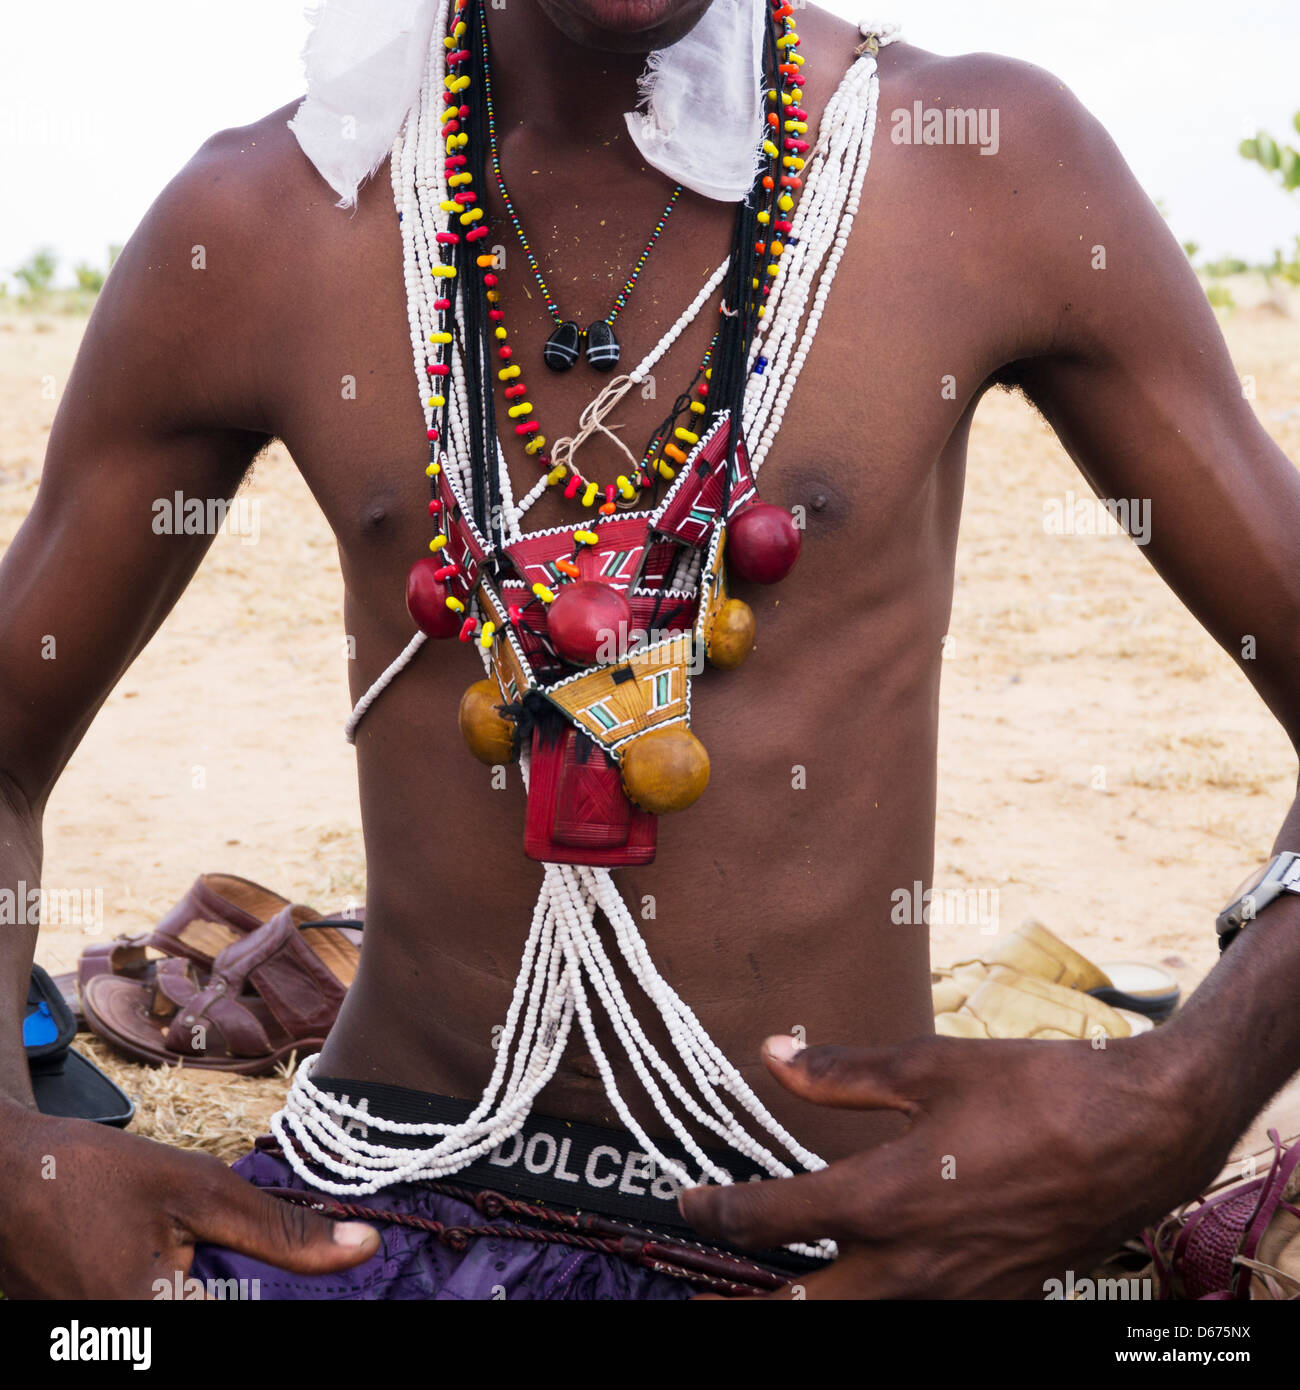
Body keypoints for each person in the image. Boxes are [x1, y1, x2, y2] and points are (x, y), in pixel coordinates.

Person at [2, 0, 1300, 1300]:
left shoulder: (982, 170)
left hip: (840, 1248)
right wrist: (15, 1162)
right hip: (371, 1213)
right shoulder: (265, 223)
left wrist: (1184, 1090)